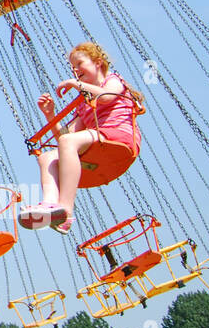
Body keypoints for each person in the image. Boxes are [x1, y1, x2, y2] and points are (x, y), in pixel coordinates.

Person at [20, 41, 143, 235]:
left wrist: (74, 84)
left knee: (68, 143)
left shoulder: (113, 80)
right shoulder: (83, 103)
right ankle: (50, 204)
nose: (76, 70)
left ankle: (66, 210)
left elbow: (106, 97)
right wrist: (50, 115)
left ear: (98, 63)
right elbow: (65, 137)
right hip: (99, 138)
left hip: (119, 136)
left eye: (79, 64)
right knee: (46, 156)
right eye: (72, 67)